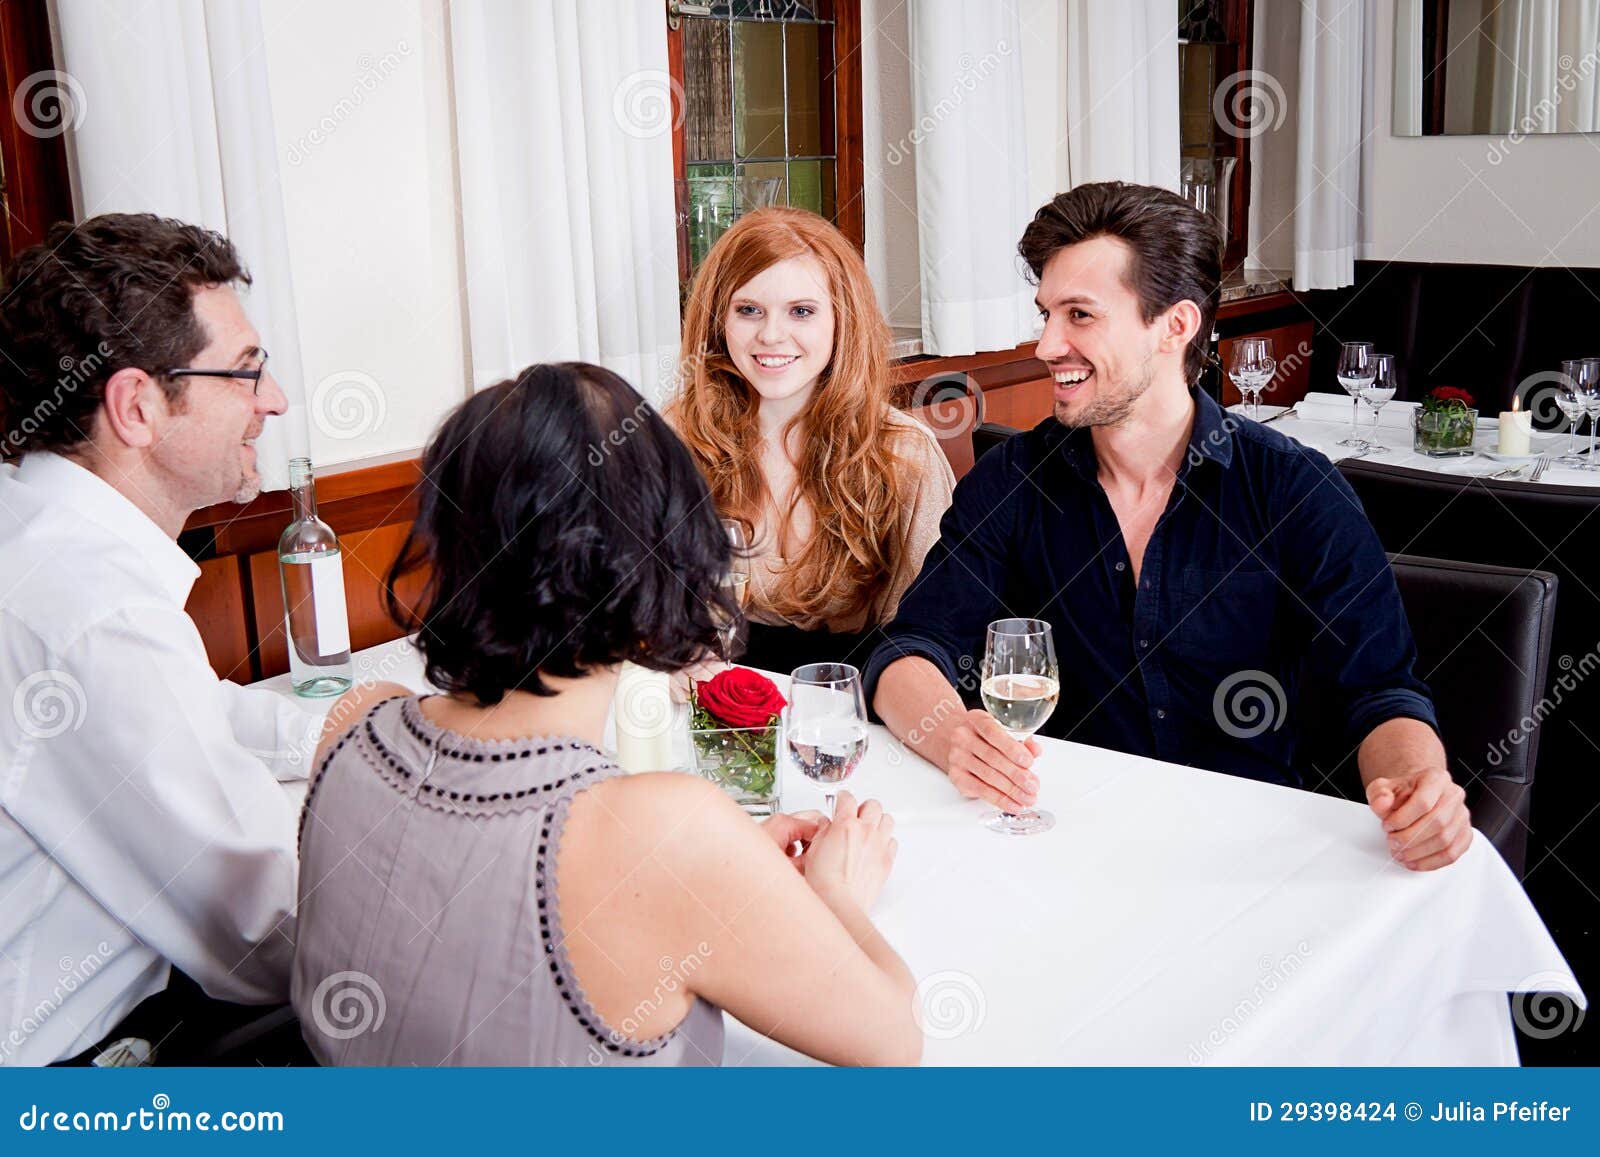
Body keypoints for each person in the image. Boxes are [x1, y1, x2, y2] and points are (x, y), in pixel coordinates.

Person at [292, 362, 921, 1066]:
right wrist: (835, 894)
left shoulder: (352, 718)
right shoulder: (660, 833)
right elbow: (894, 1041)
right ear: (658, 556)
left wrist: (729, 872)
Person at [867, 181, 1471, 872]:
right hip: (1065, 852)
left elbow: (1381, 691)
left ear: (1176, 326)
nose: (1045, 344)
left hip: (1247, 861)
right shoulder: (1016, 481)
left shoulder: (1294, 490)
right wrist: (952, 737)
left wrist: (1419, 787)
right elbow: (907, 651)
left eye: (1080, 315)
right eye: (1045, 314)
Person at [0, 214, 335, 1066]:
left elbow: (187, 711)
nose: (275, 401)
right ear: (138, 406)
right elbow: (268, 934)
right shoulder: (94, 610)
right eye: (247, 372)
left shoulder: (33, 523)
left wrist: (325, 728)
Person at [665, 207, 954, 674]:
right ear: (718, 320)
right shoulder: (677, 438)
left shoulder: (903, 451)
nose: (771, 335)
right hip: (714, 702)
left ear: (843, 320)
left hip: (865, 708)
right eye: (748, 310)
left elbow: (931, 633)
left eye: (801, 311)